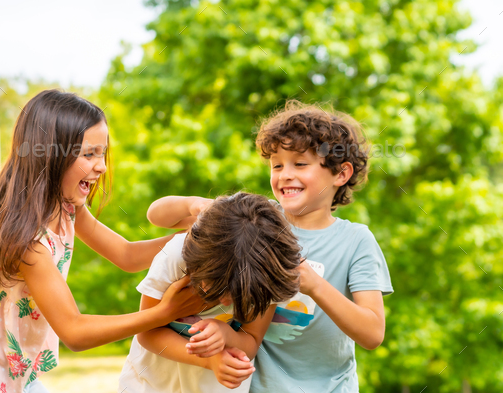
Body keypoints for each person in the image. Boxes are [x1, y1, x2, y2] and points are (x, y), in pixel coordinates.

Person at [0, 90, 205, 393]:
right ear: (49, 155)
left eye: (102, 153)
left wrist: (192, 237)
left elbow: (127, 255)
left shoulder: (68, 208)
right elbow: (74, 331)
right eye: (89, 154)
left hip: (15, 377)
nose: (101, 166)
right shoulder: (28, 242)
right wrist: (161, 314)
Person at [147, 100, 394, 393]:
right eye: (277, 165)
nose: (284, 174)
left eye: (300, 164)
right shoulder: (258, 223)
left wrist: (315, 285)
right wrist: (197, 205)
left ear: (341, 174)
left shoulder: (356, 241)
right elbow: (157, 215)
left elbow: (372, 333)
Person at [118, 192, 303, 393]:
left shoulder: (267, 275)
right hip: (150, 385)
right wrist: (209, 361)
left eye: (236, 296)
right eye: (216, 288)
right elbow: (147, 332)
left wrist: (226, 334)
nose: (224, 300)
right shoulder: (175, 257)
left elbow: (251, 340)